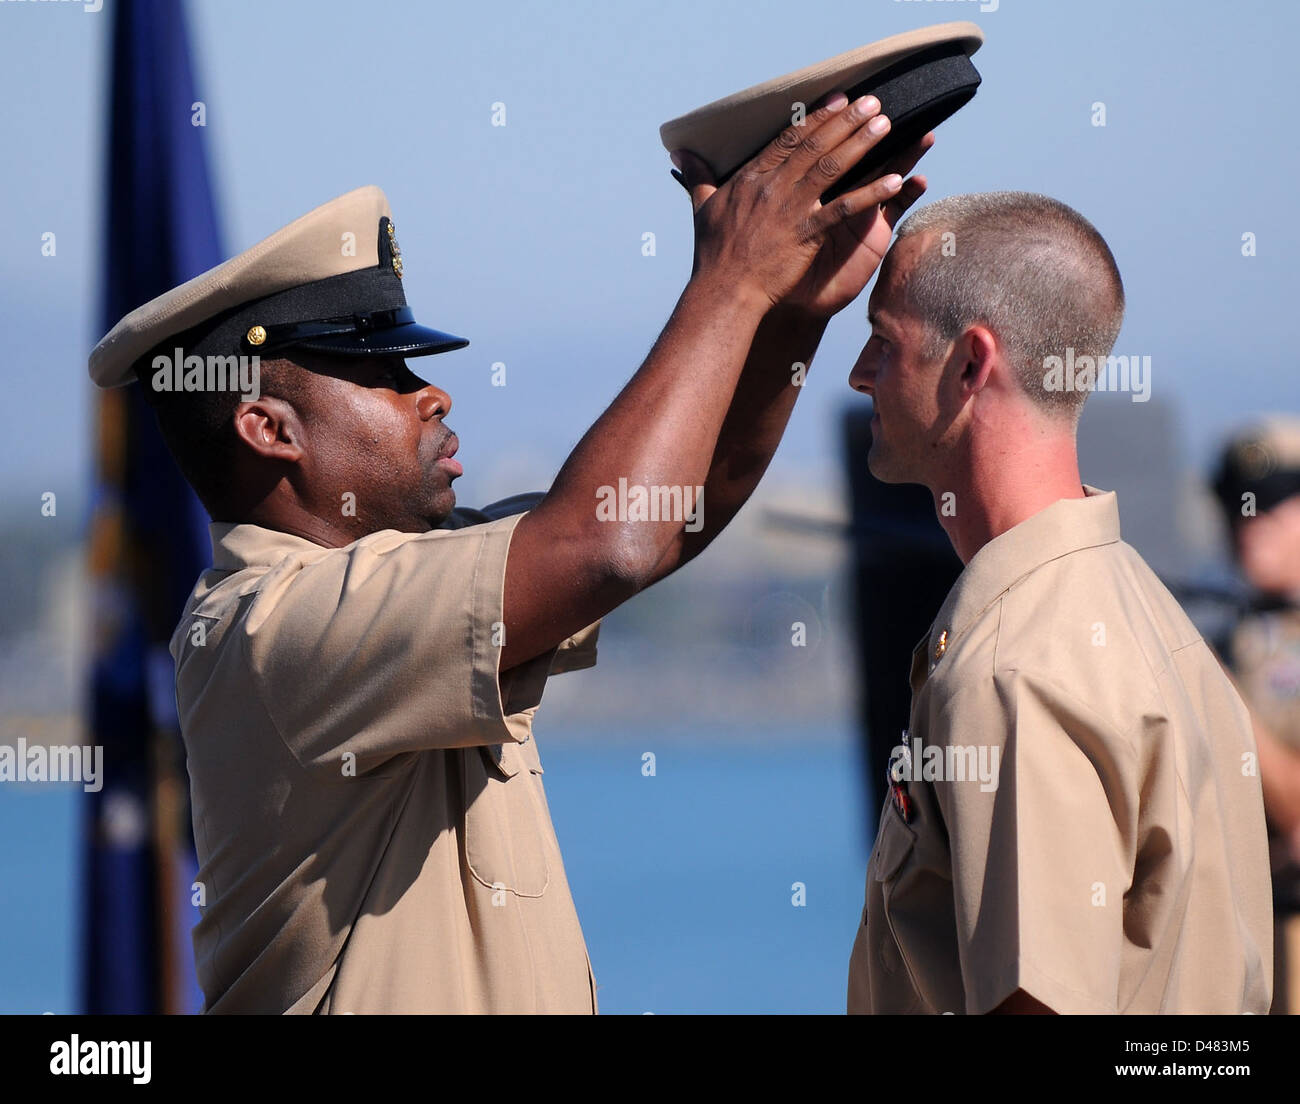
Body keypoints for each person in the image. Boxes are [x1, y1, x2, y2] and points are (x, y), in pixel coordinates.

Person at [88, 91, 931, 1012]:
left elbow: (674, 513)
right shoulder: (270, 629)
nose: (433, 396)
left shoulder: (402, 574)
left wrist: (792, 303)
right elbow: (610, 542)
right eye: (385, 375)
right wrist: (731, 281)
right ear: (267, 427)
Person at [844, 191, 1273, 1014]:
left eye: (883, 342)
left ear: (971, 365)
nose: (861, 373)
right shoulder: (1154, 618)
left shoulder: (1015, 669)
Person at [1212, 418, 1300, 1013]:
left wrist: (1220, 692)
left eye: (1269, 504)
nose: (1248, 524)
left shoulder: (1222, 663)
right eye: (1237, 505)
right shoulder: (1237, 638)